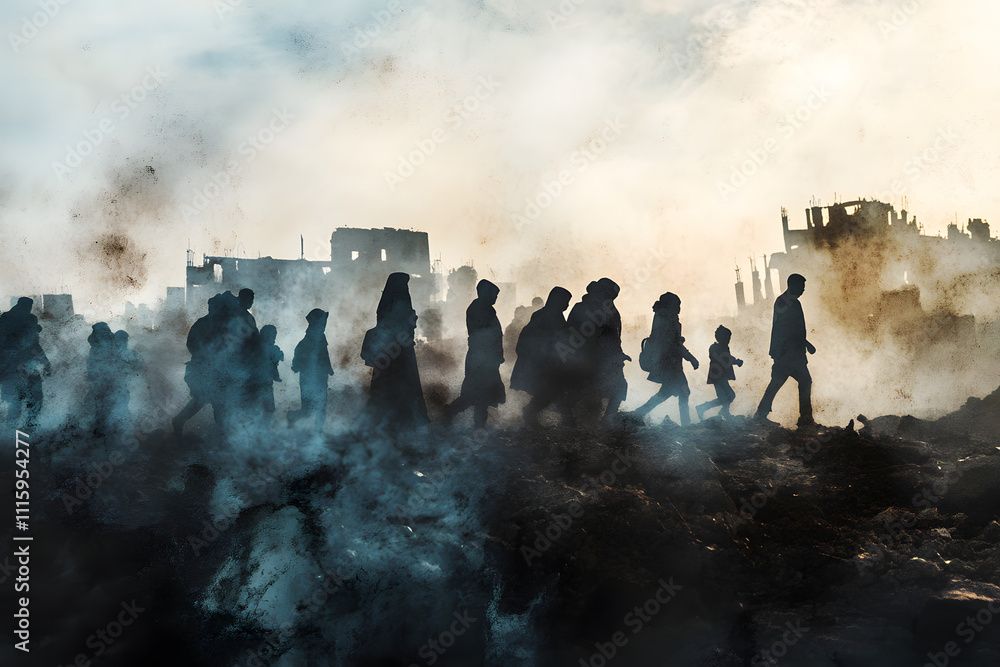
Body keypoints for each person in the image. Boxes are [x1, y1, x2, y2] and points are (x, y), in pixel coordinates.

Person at [362, 273, 428, 427]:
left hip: (390, 350)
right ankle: (400, 419)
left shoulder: (388, 301)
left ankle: (389, 418)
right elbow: (400, 325)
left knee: (391, 384)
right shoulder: (401, 299)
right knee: (399, 383)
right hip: (398, 351)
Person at [754, 273, 816, 428]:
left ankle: (761, 414)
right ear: (793, 285)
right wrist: (803, 345)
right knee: (799, 381)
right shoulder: (786, 302)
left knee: (780, 381)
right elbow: (785, 329)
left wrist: (805, 344)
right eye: (801, 286)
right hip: (788, 352)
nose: (803, 290)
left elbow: (792, 329)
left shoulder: (789, 302)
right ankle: (805, 419)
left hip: (791, 352)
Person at [566, 278, 630, 425]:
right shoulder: (583, 309)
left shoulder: (610, 310)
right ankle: (571, 417)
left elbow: (615, 336)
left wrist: (619, 354)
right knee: (586, 391)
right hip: (588, 359)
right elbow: (571, 333)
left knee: (617, 388)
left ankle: (604, 420)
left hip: (607, 359)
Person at [444, 280, 506, 428]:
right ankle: (455, 414)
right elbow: (487, 335)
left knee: (481, 393)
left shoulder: (481, 308)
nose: (495, 298)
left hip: (484, 357)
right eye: (494, 295)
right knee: (478, 392)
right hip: (482, 358)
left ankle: (474, 422)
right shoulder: (480, 309)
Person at [633, 293, 699, 425]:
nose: (679, 308)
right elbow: (674, 344)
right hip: (671, 364)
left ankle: (638, 414)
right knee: (682, 392)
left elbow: (669, 340)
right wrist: (690, 358)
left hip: (666, 363)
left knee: (667, 393)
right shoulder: (668, 319)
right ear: (671, 306)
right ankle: (686, 425)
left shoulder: (661, 316)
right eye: (677, 305)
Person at [511, 287, 573, 427]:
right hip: (543, 363)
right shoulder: (549, 316)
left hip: (546, 362)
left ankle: (567, 420)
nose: (567, 305)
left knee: (554, 392)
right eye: (565, 301)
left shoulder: (547, 314)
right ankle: (532, 414)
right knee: (552, 391)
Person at [0, 298, 50, 428]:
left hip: (9, 370)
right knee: (33, 397)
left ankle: (12, 429)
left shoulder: (5, 321)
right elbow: (36, 346)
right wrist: (46, 364)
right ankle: (29, 426)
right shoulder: (28, 322)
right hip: (21, 368)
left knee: (16, 400)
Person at [288, 309, 334, 433]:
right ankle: (292, 416)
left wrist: (328, 368)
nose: (324, 325)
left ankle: (319, 432)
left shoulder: (321, 338)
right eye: (322, 322)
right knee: (308, 409)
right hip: (309, 378)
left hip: (320, 376)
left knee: (321, 407)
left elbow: (324, 355)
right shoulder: (306, 341)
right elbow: (299, 358)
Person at [696, 325, 743, 420]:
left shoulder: (721, 347)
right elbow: (725, 358)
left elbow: (726, 358)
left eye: (729, 338)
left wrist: (734, 361)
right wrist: (736, 361)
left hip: (720, 376)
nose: (728, 340)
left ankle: (723, 411)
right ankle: (703, 408)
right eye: (726, 337)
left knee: (727, 396)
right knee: (727, 396)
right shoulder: (716, 348)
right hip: (718, 377)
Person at [257, 324, 284, 421]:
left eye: (274, 336)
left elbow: (278, 361)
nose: (274, 339)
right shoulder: (260, 349)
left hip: (266, 383)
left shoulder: (271, 348)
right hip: (259, 383)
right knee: (264, 408)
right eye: (272, 336)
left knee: (267, 409)